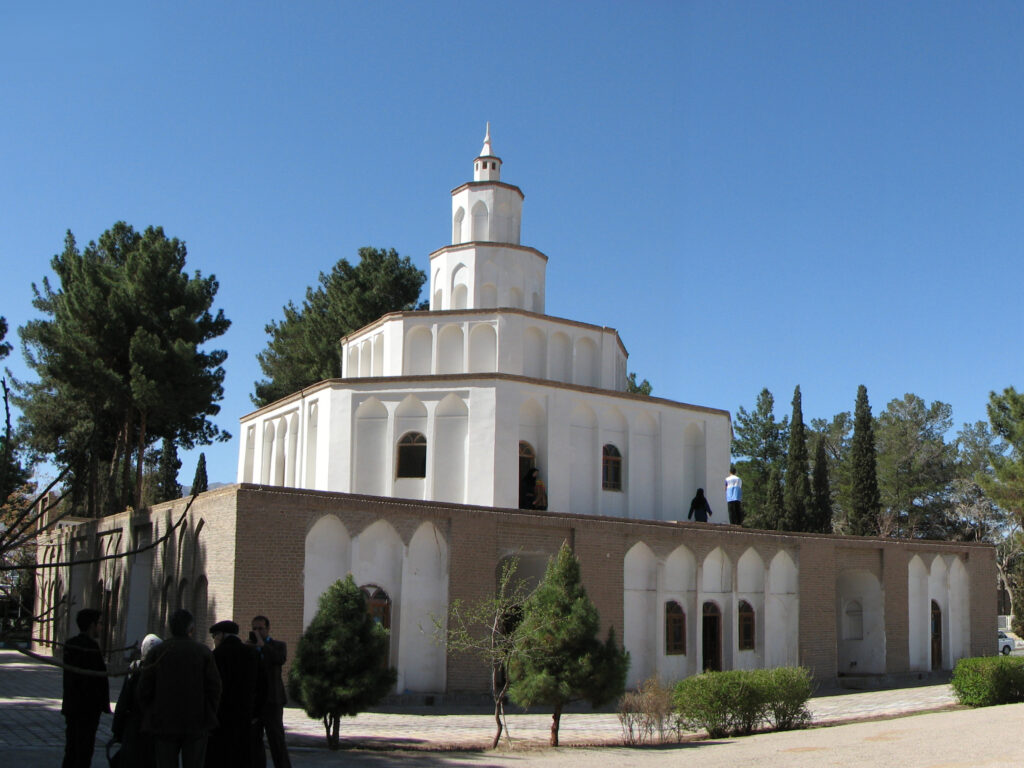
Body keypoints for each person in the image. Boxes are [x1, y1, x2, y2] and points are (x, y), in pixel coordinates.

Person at [139, 609, 221, 768]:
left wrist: (151, 711)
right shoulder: (202, 652)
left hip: (164, 721)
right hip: (196, 721)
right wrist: (209, 712)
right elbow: (214, 687)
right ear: (191, 628)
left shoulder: (158, 651)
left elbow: (144, 688)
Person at [206, 620, 265, 768]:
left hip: (221, 716)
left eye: (215, 636)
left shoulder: (216, 656)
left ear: (221, 635)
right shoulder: (252, 653)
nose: (214, 640)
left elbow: (209, 687)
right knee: (242, 756)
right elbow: (264, 685)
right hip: (245, 715)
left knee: (220, 757)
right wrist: (256, 713)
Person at [61, 608, 111, 768]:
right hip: (87, 709)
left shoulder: (70, 645)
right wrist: (103, 704)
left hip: (72, 706)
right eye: (100, 624)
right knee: (84, 750)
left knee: (71, 748)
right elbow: (99, 679)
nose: (101, 628)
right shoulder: (91, 647)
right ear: (92, 625)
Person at [111, 633, 162, 768]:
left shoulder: (135, 669)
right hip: (154, 727)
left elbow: (124, 700)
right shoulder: (162, 671)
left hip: (134, 725)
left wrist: (117, 729)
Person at [249, 615, 292, 768]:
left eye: (260, 628)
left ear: (268, 629)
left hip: (273, 700)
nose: (257, 631)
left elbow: (279, 659)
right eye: (254, 628)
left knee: (276, 740)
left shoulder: (278, 646)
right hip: (255, 701)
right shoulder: (250, 648)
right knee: (254, 741)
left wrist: (263, 645)